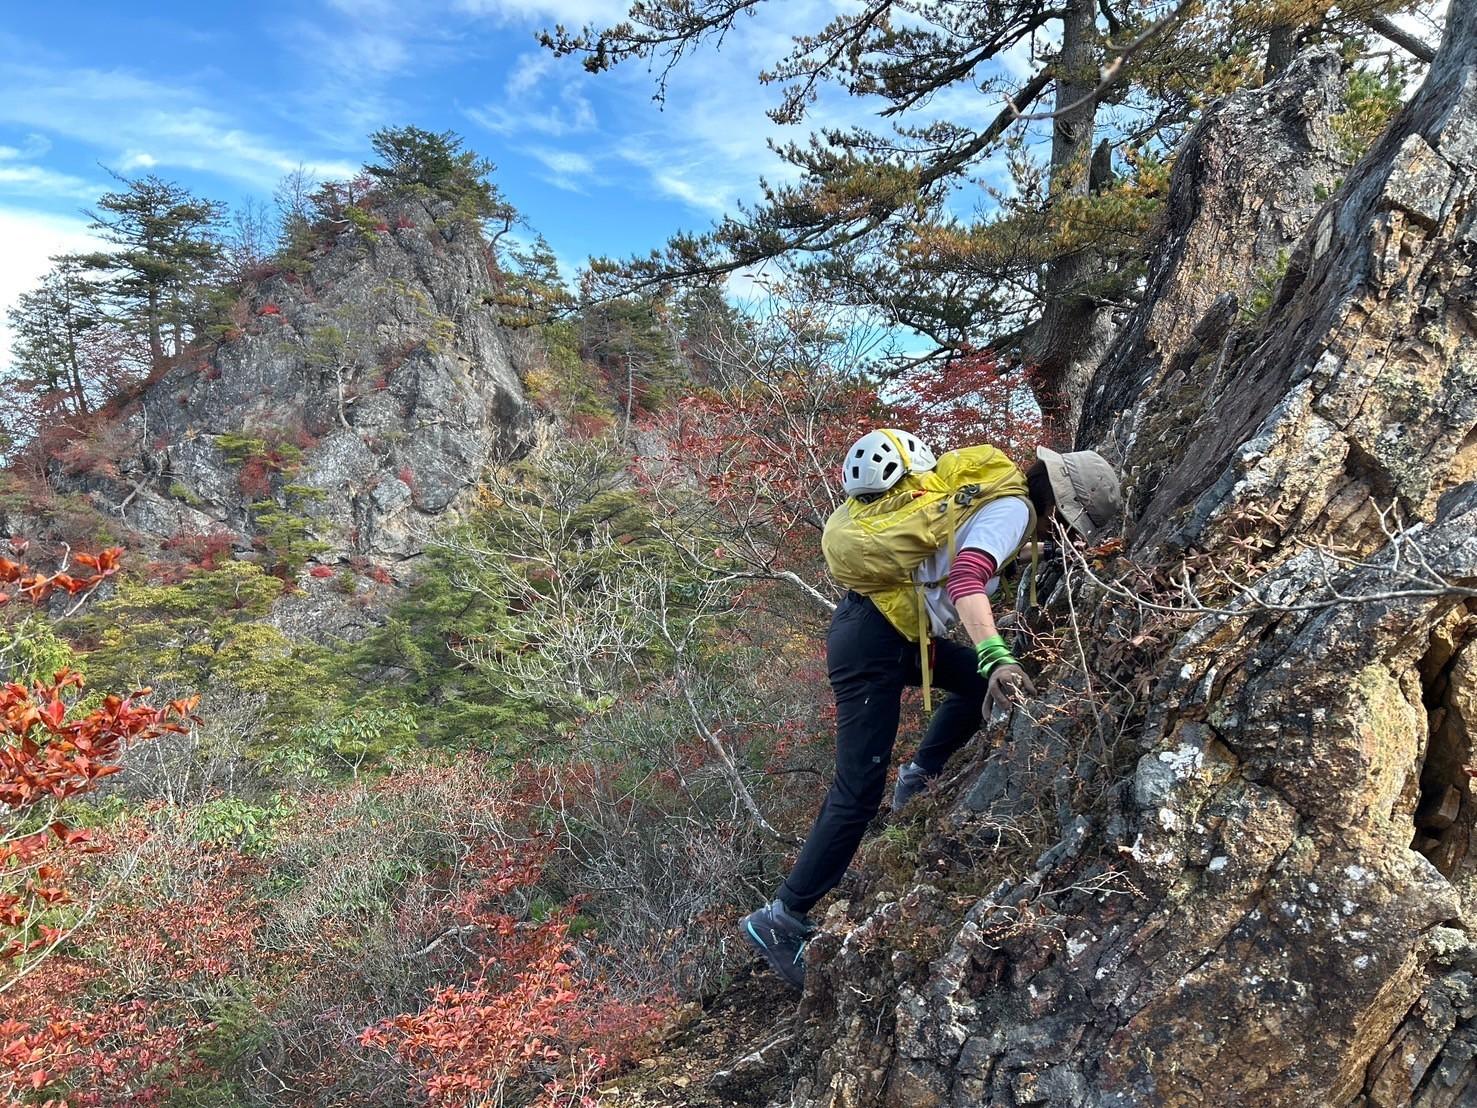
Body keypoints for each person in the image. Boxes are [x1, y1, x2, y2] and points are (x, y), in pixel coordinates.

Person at [739, 429, 1121, 990]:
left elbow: (957, 558)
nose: (1068, 537)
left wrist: (1023, 567)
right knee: (857, 789)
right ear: (1059, 509)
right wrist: (995, 655)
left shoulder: (999, 498)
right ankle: (782, 917)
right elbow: (968, 578)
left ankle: (918, 779)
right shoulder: (1011, 512)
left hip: (890, 629)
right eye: (1071, 528)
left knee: (971, 688)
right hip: (874, 642)